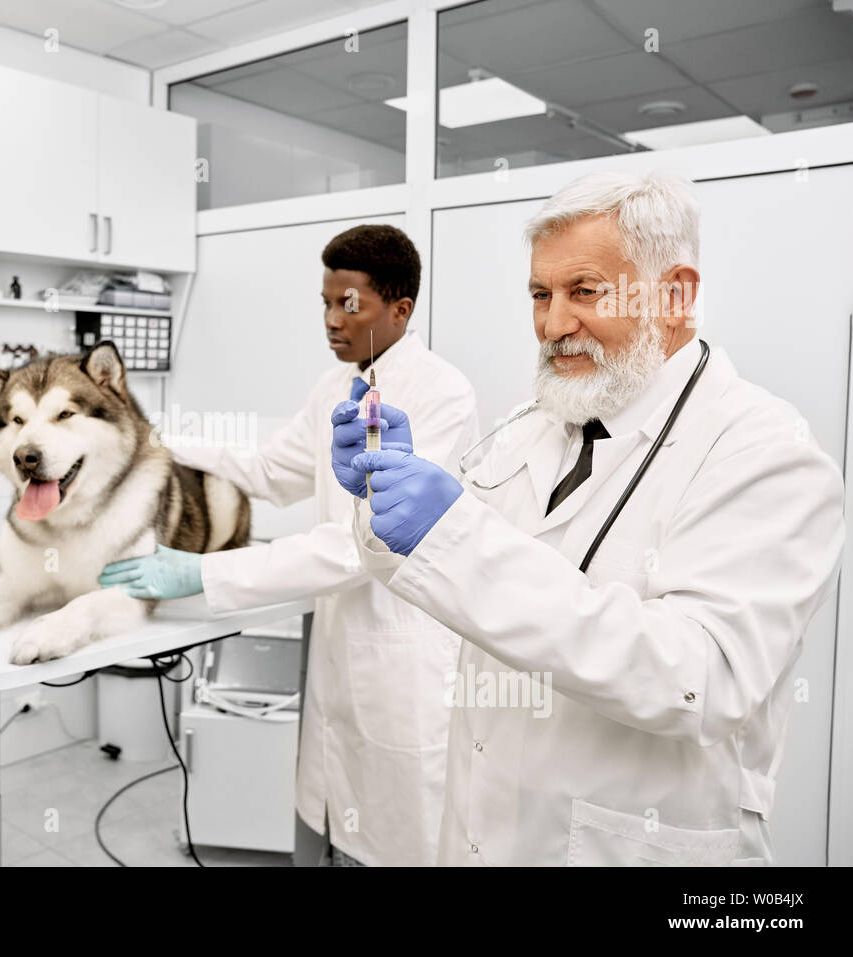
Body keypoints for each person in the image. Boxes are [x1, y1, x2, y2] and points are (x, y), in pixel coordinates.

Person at [333, 171, 844, 865]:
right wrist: (383, 495)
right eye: (540, 295)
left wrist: (451, 532)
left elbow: (704, 677)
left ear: (676, 294)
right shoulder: (531, 424)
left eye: (584, 291)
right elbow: (434, 563)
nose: (552, 325)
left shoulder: (767, 453)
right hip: (480, 832)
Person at [99, 225, 479, 865]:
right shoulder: (335, 388)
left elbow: (363, 545)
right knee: (331, 834)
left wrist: (204, 573)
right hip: (340, 652)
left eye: (347, 304)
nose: (331, 320)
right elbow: (270, 471)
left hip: (402, 656)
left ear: (400, 309)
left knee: (399, 845)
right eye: (325, 303)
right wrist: (157, 443)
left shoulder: (443, 395)